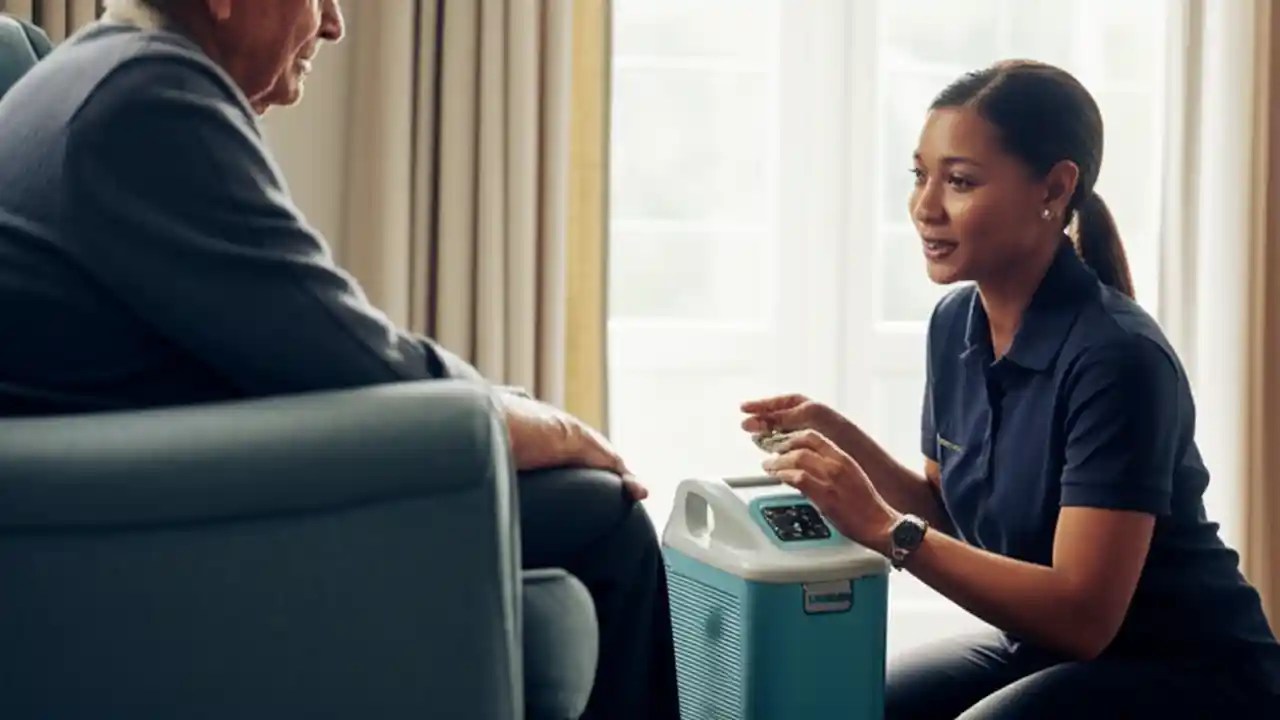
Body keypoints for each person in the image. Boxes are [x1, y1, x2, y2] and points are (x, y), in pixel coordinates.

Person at [0, 1, 678, 717]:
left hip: (111, 516)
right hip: (142, 545)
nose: (334, 24)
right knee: (600, 515)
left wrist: (497, 408)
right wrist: (559, 429)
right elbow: (369, 370)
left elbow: (318, 349)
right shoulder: (150, 97)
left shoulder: (85, 75)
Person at [741, 60, 1280, 718]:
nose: (924, 207)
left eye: (960, 181)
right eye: (920, 175)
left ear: (1054, 187)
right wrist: (846, 445)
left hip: (1189, 666)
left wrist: (883, 528)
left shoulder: (1118, 358)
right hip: (1049, 648)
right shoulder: (954, 324)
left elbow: (1084, 619)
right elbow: (950, 517)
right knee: (850, 704)